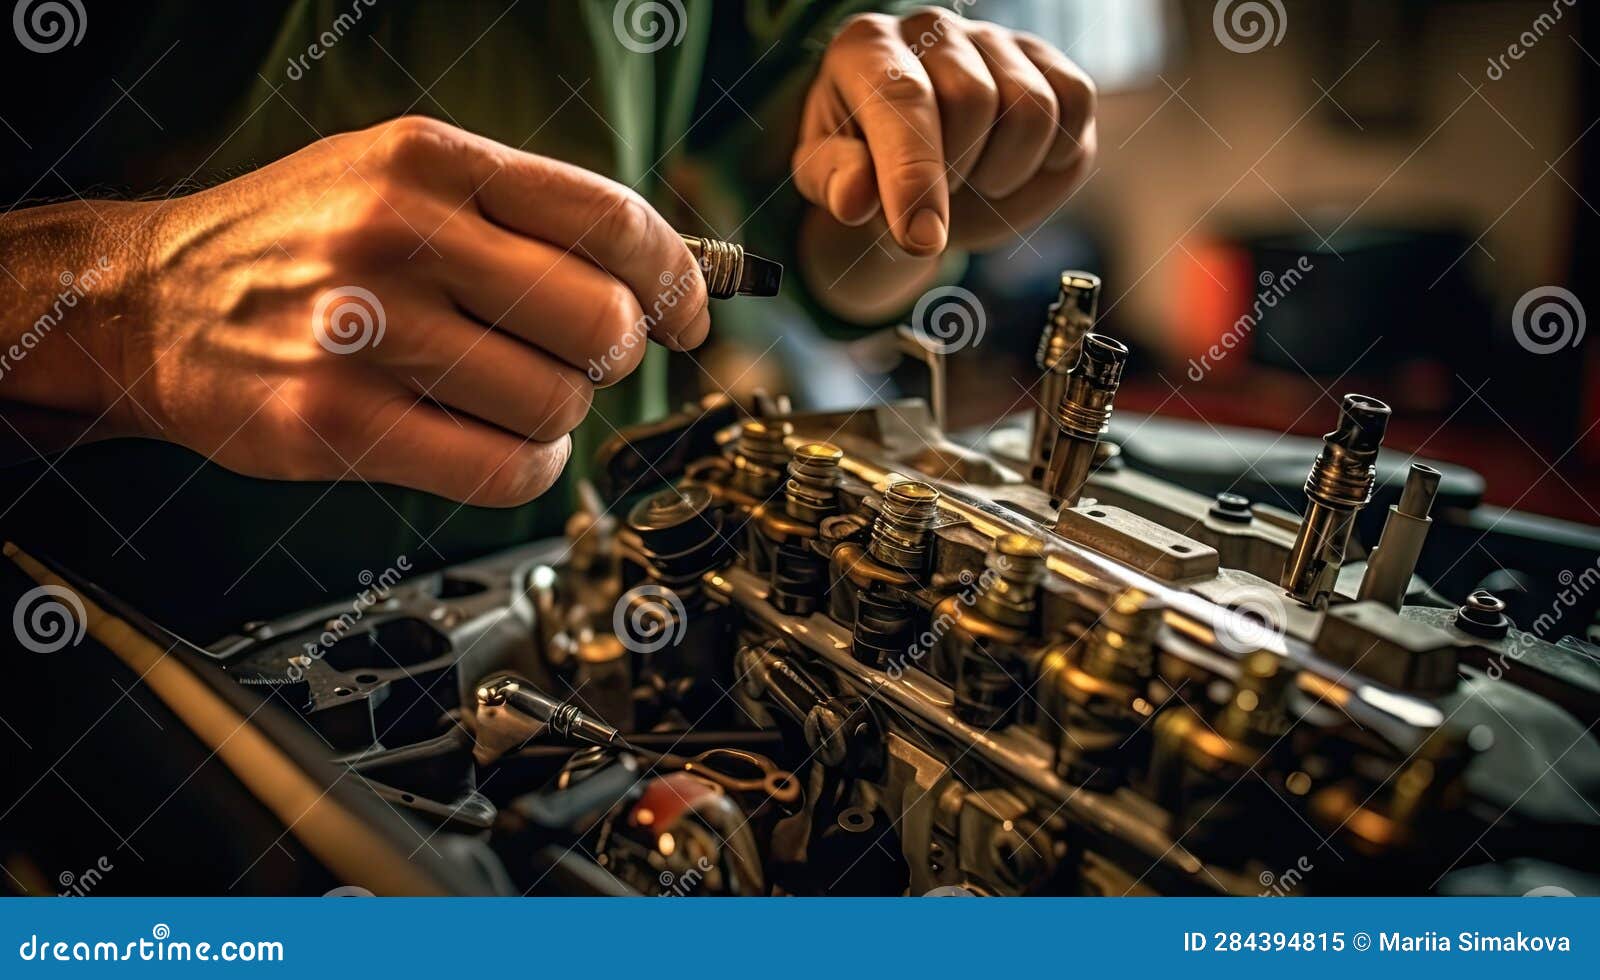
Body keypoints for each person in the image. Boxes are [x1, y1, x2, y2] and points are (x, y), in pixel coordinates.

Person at [0, 1, 1095, 637]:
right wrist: (121, 307)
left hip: (599, 598)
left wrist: (904, 182)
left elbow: (801, 197)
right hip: (111, 660)